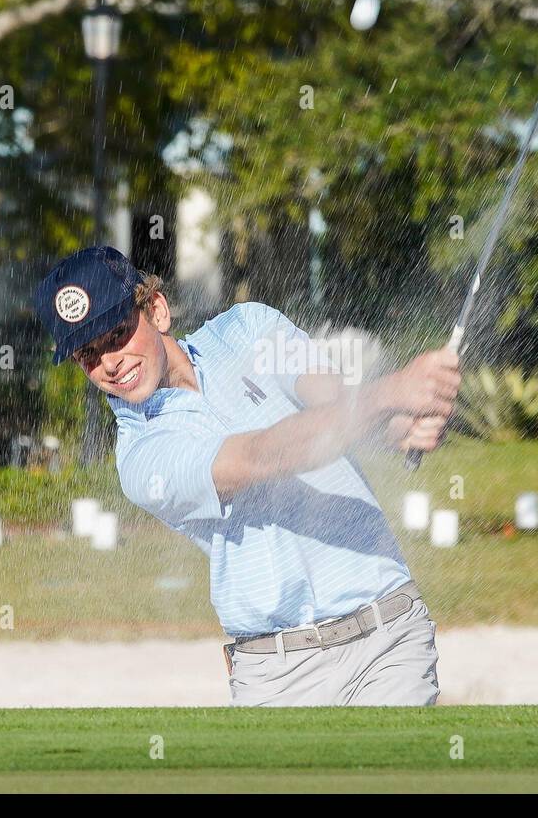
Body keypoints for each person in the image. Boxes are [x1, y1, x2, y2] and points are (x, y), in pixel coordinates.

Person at [35, 247, 460, 706]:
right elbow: (258, 458)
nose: (110, 362)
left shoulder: (247, 328)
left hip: (388, 639)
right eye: (88, 354)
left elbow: (333, 398)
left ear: (156, 310)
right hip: (277, 674)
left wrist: (396, 424)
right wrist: (387, 395)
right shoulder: (141, 457)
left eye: (117, 333)